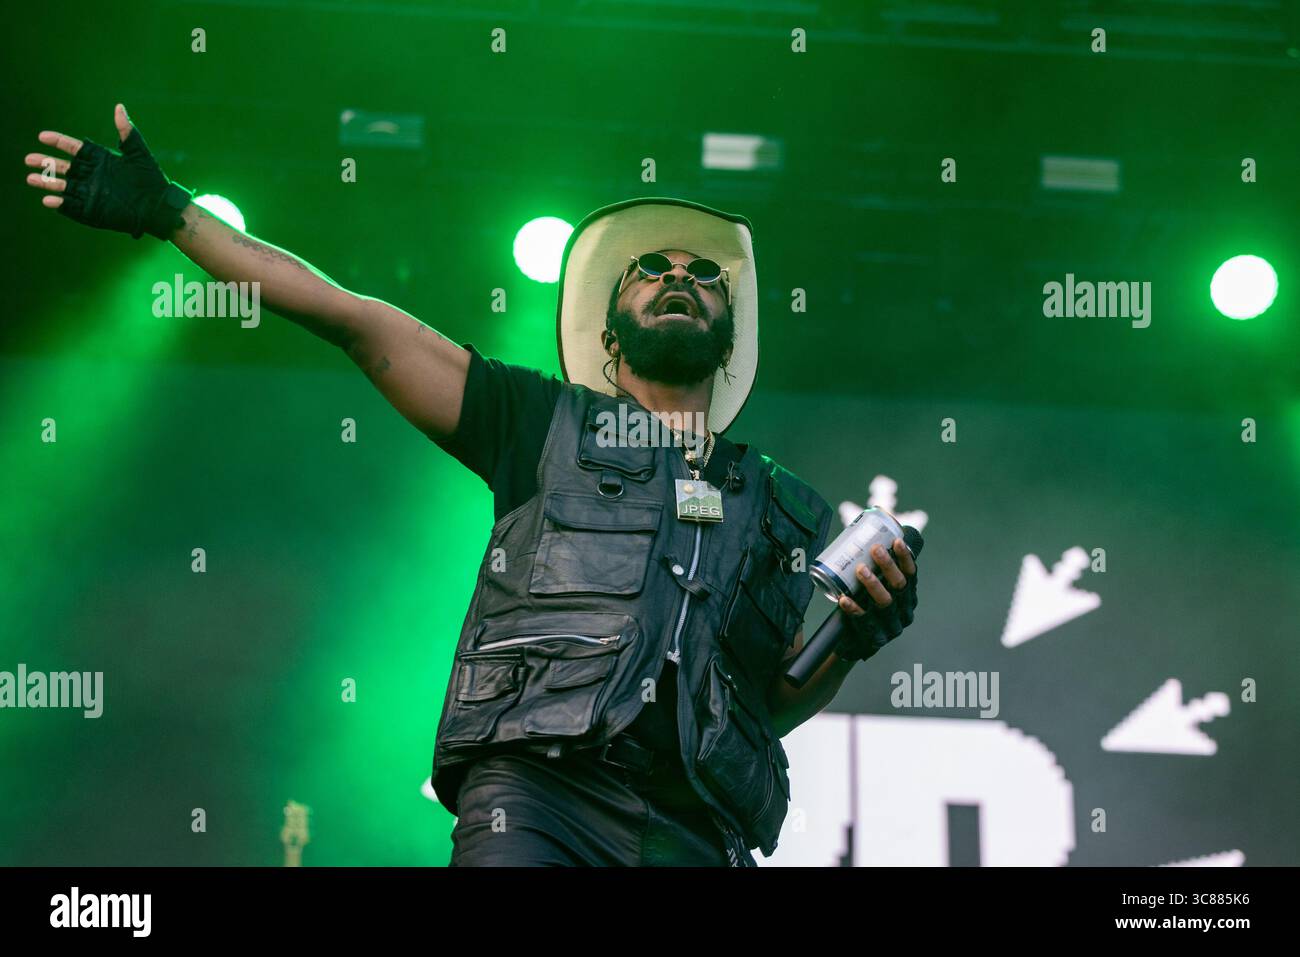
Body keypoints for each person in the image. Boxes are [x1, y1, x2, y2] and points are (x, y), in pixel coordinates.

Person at [23, 105, 921, 867]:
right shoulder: (534, 419)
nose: (678, 277)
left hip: (697, 830)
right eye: (652, 269)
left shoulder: (779, 503)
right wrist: (176, 215)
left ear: (727, 337)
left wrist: (853, 635)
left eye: (702, 276)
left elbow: (761, 705)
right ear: (610, 331)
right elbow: (351, 319)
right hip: (539, 795)